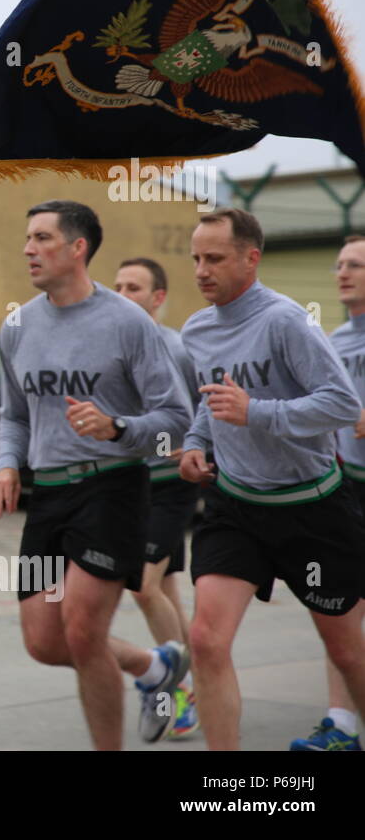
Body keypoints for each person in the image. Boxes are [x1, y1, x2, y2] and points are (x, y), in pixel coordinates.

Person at [0, 201, 193, 749]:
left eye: (43, 238)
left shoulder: (128, 323)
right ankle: (153, 666)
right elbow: (14, 415)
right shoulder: (17, 325)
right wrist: (7, 465)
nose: (28, 248)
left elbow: (176, 418)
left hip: (111, 488)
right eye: (27, 237)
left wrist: (117, 426)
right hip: (47, 494)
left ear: (78, 248)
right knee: (44, 643)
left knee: (82, 632)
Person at [180, 209, 365, 751]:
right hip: (235, 507)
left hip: (312, 508)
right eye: (196, 258)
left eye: (214, 258)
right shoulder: (196, 329)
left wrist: (256, 412)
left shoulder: (287, 320)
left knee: (347, 652)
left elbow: (341, 404)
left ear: (250, 259)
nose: (201, 270)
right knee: (205, 640)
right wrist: (196, 442)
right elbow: (212, 404)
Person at [113, 257, 201, 740]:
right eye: (119, 285)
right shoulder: (108, 347)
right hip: (131, 483)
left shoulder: (177, 349)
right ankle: (194, 678)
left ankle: (178, 683)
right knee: (163, 590)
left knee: (143, 587)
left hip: (172, 484)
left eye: (135, 287)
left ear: (158, 297)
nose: (123, 294)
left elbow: (203, 410)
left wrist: (199, 449)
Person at [287, 235, 365, 751]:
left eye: (355, 265)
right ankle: (341, 724)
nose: (342, 272)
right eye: (338, 264)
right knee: (340, 608)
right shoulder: (334, 341)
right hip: (345, 486)